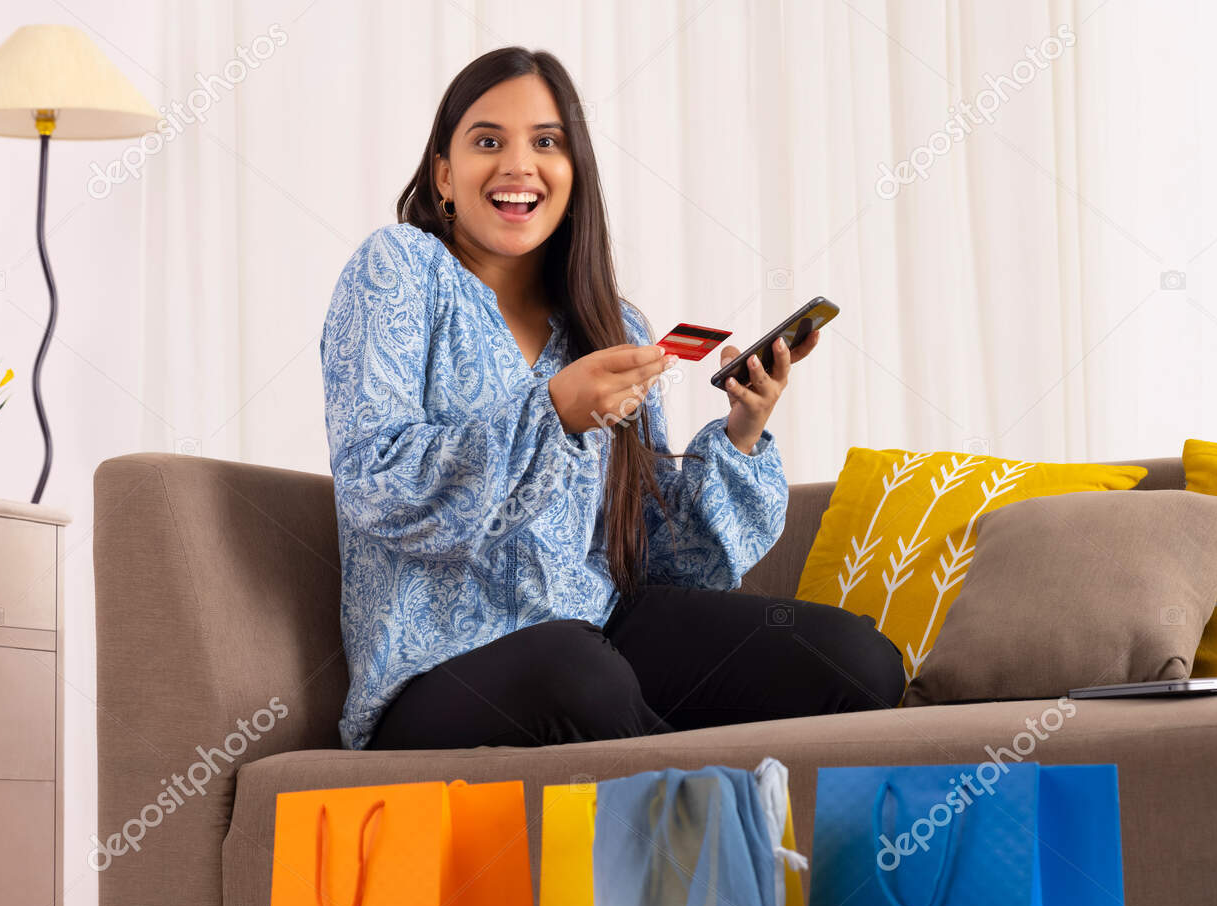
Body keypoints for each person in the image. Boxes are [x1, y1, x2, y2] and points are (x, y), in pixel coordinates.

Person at [319, 46, 904, 751]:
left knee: (856, 661)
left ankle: (666, 759)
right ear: (445, 174)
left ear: (574, 173)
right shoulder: (398, 268)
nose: (518, 165)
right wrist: (552, 416)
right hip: (435, 669)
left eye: (546, 142)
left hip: (597, 634)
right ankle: (702, 795)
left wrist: (742, 432)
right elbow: (374, 482)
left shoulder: (612, 326)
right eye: (487, 142)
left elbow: (659, 562)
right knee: (581, 675)